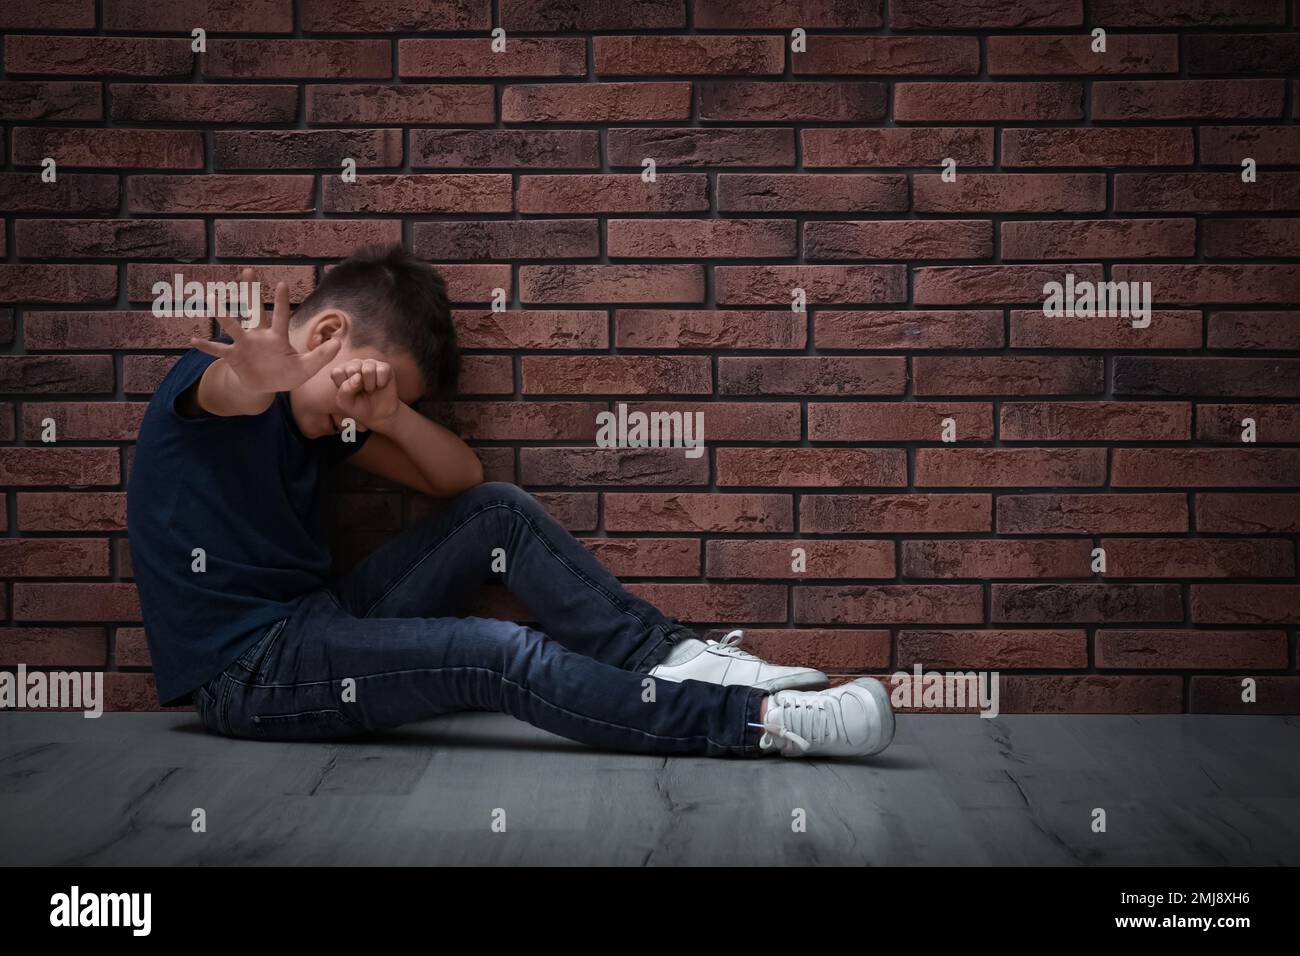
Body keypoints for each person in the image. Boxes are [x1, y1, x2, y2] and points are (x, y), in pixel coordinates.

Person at [126, 245, 896, 760]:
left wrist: (388, 413)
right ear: (325, 331)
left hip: (321, 624)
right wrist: (263, 375)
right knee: (494, 653)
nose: (361, 400)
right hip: (249, 674)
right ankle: (760, 727)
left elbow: (458, 482)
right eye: (366, 378)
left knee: (498, 510)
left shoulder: (329, 423)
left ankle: (679, 658)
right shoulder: (209, 396)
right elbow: (226, 390)